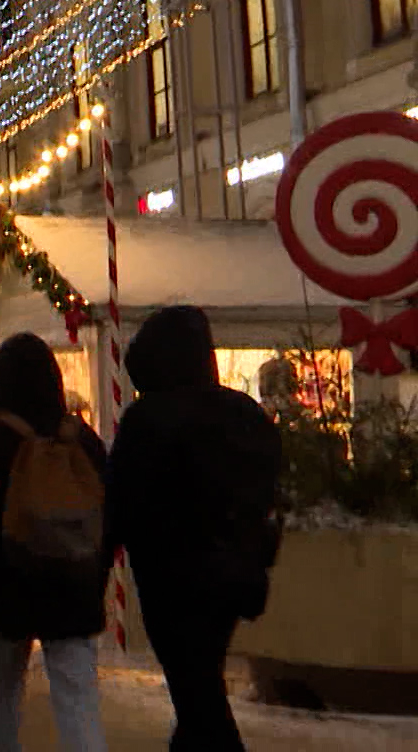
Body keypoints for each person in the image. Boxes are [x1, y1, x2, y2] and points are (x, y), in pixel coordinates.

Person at [116, 306, 283, 751]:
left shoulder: (148, 419)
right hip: (233, 574)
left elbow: (123, 502)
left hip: (170, 579)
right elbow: (269, 494)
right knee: (200, 685)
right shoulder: (244, 414)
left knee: (197, 695)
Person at [0, 333, 111, 752]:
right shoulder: (82, 441)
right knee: (78, 698)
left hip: (7, 589)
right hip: (73, 588)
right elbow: (105, 516)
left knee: (3, 691)